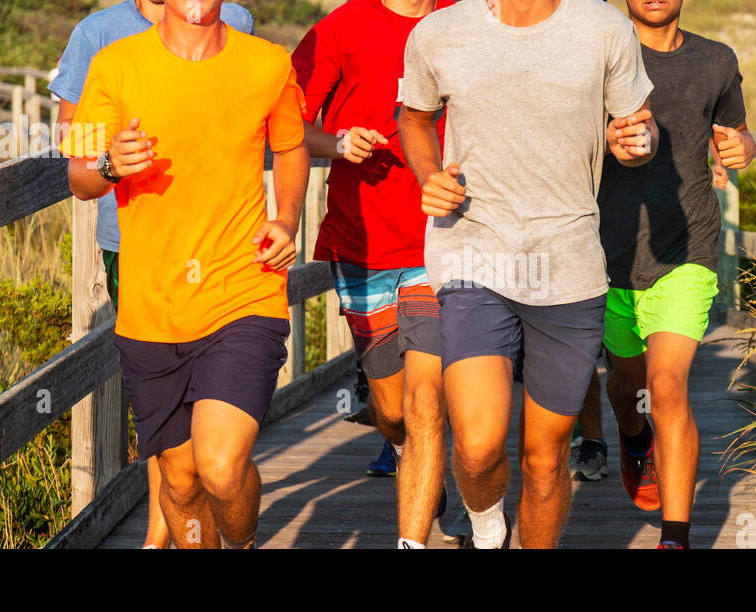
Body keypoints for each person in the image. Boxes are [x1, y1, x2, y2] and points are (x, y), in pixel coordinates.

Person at [399, 0, 657, 548]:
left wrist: (635, 145)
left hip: (567, 263)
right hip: (473, 253)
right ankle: (489, 529)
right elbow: (415, 117)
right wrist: (427, 172)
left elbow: (639, 129)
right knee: (475, 444)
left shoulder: (605, 27)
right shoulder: (439, 31)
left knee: (545, 461)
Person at [60, 0, 309, 549]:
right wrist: (107, 165)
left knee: (219, 466)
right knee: (179, 476)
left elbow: (291, 148)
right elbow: (79, 177)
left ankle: (241, 543)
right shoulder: (115, 64)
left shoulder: (267, 64)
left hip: (243, 288)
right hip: (153, 305)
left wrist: (286, 218)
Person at [291, 0, 454, 549]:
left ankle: (414, 536)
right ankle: (415, 462)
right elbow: (289, 127)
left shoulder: (469, 17)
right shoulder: (343, 26)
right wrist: (336, 142)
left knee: (426, 399)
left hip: (445, 238)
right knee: (391, 410)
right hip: (363, 243)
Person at [598, 0, 755, 549]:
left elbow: (735, 132)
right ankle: (634, 440)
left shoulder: (715, 60)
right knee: (626, 385)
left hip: (686, 247)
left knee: (667, 387)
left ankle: (675, 537)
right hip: (605, 252)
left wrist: (744, 146)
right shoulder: (600, 55)